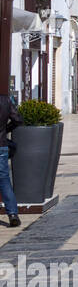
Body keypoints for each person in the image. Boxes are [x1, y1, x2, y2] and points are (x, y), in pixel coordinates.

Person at [1, 93, 23, 229]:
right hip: (1, 144)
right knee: (3, 180)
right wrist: (5, 130)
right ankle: (13, 214)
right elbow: (18, 120)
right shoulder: (5, 100)